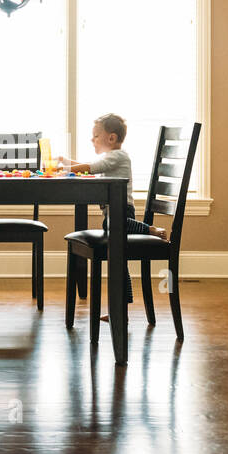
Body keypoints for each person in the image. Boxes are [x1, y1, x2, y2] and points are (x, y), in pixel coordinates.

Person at [57, 113, 165, 317]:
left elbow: (90, 168)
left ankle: (149, 229)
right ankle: (120, 308)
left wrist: (64, 168)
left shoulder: (118, 156)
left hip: (123, 211)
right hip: (114, 215)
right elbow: (89, 167)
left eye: (96, 136)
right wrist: (66, 162)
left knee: (111, 228)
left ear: (112, 138)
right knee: (119, 262)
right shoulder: (111, 158)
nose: (92, 139)